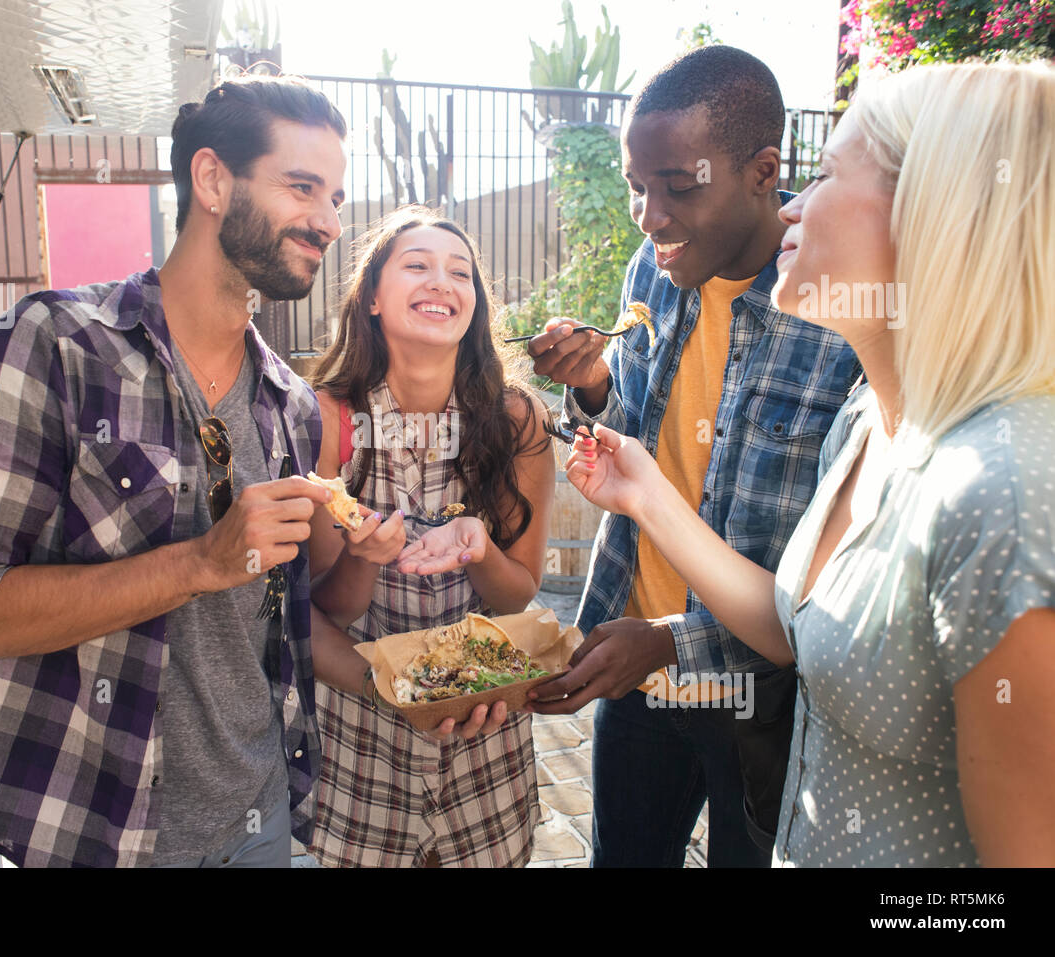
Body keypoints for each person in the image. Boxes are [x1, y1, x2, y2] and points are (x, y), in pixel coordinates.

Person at [563, 60, 1055, 867]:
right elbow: (790, 624)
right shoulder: (869, 427)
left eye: (824, 175)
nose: (796, 202)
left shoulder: (1006, 491)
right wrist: (645, 494)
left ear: (938, 215)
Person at [0, 74, 348, 867]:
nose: (327, 222)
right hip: (94, 830)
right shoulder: (55, 347)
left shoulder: (291, 404)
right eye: (303, 188)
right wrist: (199, 562)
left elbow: (272, 626)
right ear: (212, 179)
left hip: (259, 820)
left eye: (337, 198)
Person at [525, 45, 862, 867]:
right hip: (633, 663)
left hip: (759, 695)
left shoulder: (838, 302)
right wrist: (597, 387)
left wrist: (677, 639)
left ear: (761, 170)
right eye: (639, 186)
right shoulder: (657, 266)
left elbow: (826, 572)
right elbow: (638, 430)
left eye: (678, 185)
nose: (649, 216)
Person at [303, 205, 556, 867]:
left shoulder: (516, 418)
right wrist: (364, 557)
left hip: (485, 740)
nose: (442, 282)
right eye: (416, 265)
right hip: (365, 746)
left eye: (460, 272)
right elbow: (329, 610)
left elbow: (515, 597)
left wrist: (479, 546)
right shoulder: (327, 421)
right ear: (373, 298)